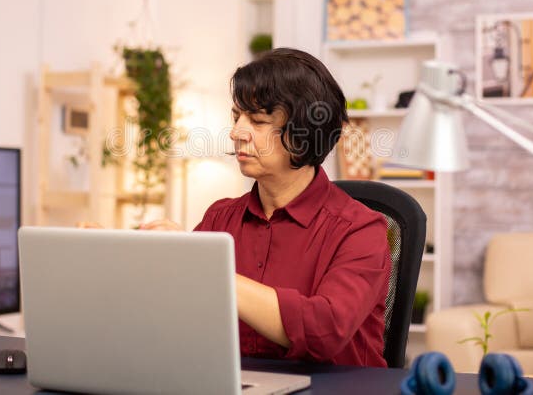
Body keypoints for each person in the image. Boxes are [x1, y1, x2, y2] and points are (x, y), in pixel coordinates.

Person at [142, 48, 391, 367]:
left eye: (257, 120)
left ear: (304, 135)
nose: (236, 133)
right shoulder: (220, 217)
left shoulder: (361, 230)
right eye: (236, 117)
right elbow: (179, 316)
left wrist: (204, 269)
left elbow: (324, 330)